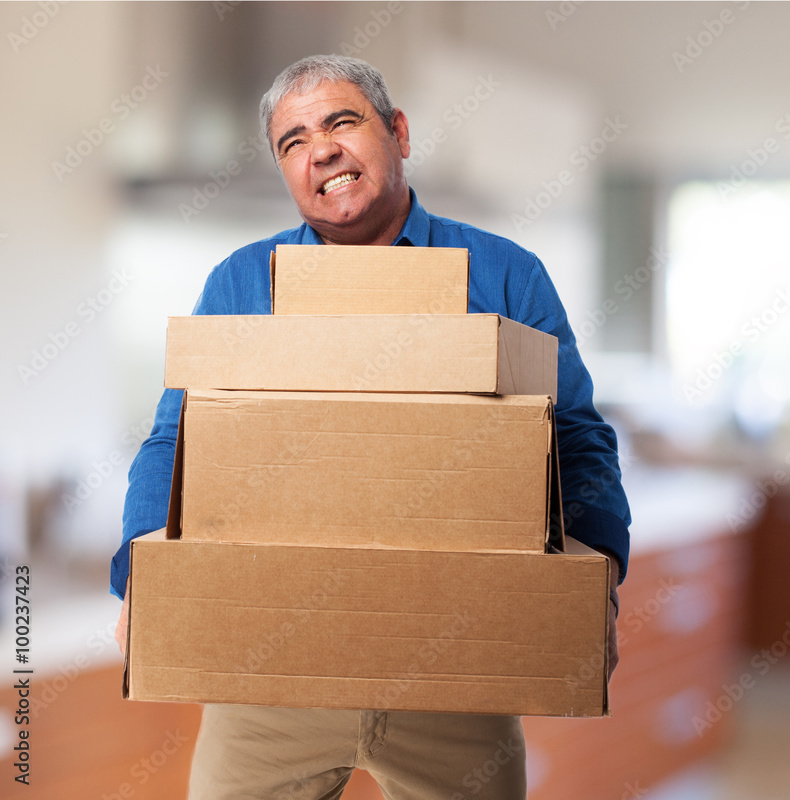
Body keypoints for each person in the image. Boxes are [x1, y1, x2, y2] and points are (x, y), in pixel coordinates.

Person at [111, 54, 631, 800]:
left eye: (341, 122)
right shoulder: (241, 282)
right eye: (293, 142)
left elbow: (576, 439)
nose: (319, 151)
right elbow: (176, 440)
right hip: (267, 671)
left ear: (399, 133)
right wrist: (144, 570)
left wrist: (597, 573)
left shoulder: (505, 275)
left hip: (458, 668)